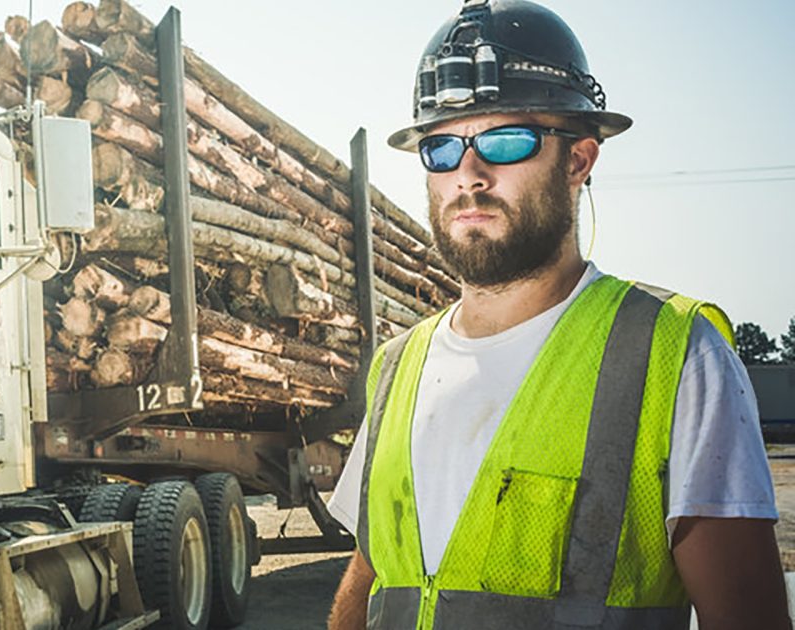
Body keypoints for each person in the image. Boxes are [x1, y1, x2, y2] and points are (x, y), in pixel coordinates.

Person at [325, 1, 789, 628]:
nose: (469, 173)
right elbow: (374, 571)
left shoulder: (676, 355)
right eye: (441, 148)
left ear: (578, 161)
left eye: (506, 140)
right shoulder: (395, 368)